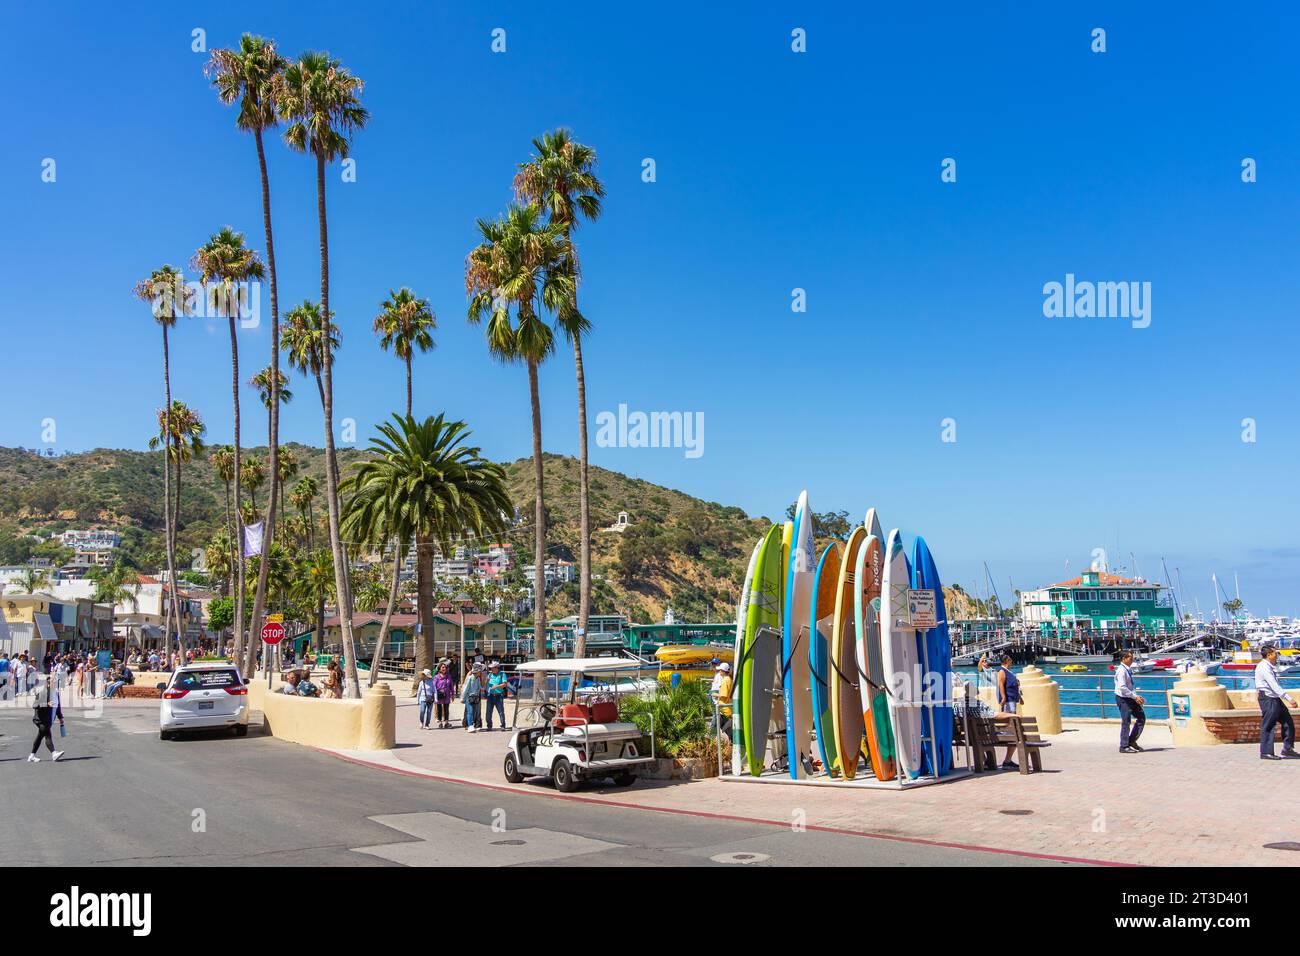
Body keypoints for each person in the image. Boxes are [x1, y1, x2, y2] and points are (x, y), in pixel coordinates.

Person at [1255, 643, 1298, 760]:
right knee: (1268, 725)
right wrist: (1289, 698)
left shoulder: (1269, 666)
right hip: (1268, 699)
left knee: (1288, 722)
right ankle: (1266, 752)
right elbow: (1273, 685)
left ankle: (1287, 749)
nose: (1277, 655)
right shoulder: (1263, 667)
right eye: (1275, 653)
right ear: (1269, 655)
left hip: (1274, 698)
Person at [1114, 649, 1146, 753]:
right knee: (1126, 722)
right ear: (1124, 659)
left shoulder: (1127, 669)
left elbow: (1130, 686)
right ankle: (1124, 746)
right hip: (1123, 699)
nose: (1132, 659)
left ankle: (1131, 741)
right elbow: (1122, 687)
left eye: (1132, 658)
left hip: (1130, 697)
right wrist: (1134, 697)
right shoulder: (1121, 670)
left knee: (1141, 718)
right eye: (1130, 658)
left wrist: (1136, 697)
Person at [28, 676, 65, 763]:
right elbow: (35, 705)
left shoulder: (56, 693)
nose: (54, 684)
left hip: (49, 719)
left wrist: (60, 717)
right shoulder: (42, 692)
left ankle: (32, 755)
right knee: (47, 735)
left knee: (40, 736)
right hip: (40, 719)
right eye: (51, 682)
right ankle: (54, 753)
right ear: (47, 683)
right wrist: (46, 704)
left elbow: (57, 706)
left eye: (55, 682)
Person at [994, 653, 1021, 769]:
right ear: (1006, 661)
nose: (1011, 661)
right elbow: (1001, 684)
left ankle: (1008, 760)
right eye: (1010, 660)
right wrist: (1003, 697)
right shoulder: (1002, 671)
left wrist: (1020, 697)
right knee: (1011, 719)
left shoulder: (1007, 671)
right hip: (1008, 699)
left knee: (1012, 718)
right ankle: (1009, 733)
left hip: (1012, 698)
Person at [484, 661, 510, 731]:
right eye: (491, 668)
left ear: (496, 668)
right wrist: (486, 680)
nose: (491, 669)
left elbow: (504, 684)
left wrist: (496, 687)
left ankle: (503, 725)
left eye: (492, 668)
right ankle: (489, 726)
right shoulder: (489, 675)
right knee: (488, 712)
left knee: (501, 712)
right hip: (490, 696)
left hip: (499, 696)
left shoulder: (502, 674)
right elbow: (485, 685)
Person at [712, 661, 734, 737]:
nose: (719, 672)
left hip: (723, 709)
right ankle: (732, 741)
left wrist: (715, 694)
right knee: (726, 728)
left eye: (720, 670)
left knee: (714, 727)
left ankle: (711, 742)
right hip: (726, 708)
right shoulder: (729, 679)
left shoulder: (725, 680)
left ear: (722, 671)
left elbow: (724, 695)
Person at [461, 665, 484, 733]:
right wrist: (463, 698)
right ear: (477, 672)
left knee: (475, 712)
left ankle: (472, 724)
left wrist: (484, 690)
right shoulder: (469, 678)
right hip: (469, 697)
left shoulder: (478, 679)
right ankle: (470, 726)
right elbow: (465, 688)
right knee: (470, 711)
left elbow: (480, 688)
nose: (480, 672)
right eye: (480, 671)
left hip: (476, 698)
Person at [433, 662, 455, 728]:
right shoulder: (436, 677)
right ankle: (440, 723)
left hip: (447, 694)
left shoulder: (449, 676)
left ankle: (446, 723)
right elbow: (434, 687)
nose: (444, 668)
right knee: (439, 709)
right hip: (439, 694)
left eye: (445, 667)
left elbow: (451, 685)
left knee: (446, 709)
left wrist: (452, 694)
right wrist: (435, 695)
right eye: (442, 667)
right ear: (439, 669)